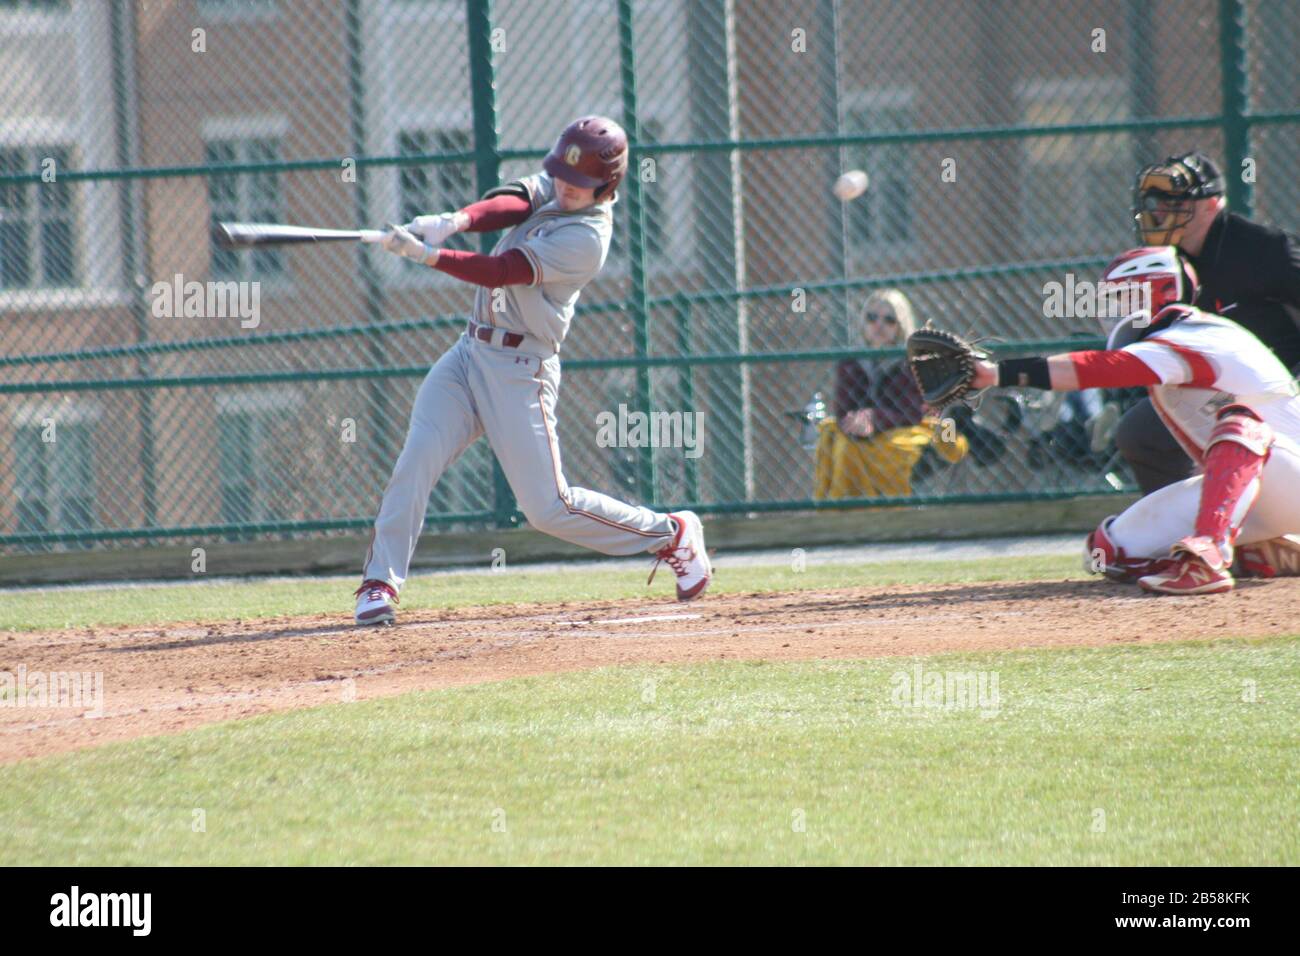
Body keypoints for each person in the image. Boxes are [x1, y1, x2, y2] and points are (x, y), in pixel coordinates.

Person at [353, 116, 711, 625]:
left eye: (581, 183)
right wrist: (456, 220)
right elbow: (514, 201)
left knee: (548, 508)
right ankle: (379, 583)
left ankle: (669, 533)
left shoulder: (587, 238)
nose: (566, 187)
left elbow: (504, 271)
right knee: (416, 461)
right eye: (563, 177)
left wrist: (431, 255)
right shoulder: (559, 187)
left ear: (606, 186)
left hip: (521, 368)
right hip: (468, 354)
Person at [963, 246, 1300, 594]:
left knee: (1241, 422)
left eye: (1123, 297)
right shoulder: (1170, 341)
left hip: (1291, 475)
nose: (1113, 310)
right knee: (1105, 554)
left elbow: (1102, 369)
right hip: (1255, 494)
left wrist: (995, 373)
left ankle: (1208, 559)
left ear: (1160, 293)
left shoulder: (1199, 333)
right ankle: (1262, 551)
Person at [1119, 151, 1300, 495]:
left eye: (1174, 201)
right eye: (1156, 201)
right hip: (1208, 389)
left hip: (1277, 388)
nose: (1159, 212)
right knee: (1139, 432)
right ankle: (1185, 529)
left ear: (1210, 205)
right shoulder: (1161, 261)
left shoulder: (1262, 249)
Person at [814, 289, 967, 499]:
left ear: (901, 325)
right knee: (843, 446)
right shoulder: (850, 361)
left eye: (889, 319)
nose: (879, 325)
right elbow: (843, 409)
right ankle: (843, 512)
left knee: (892, 451)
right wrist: (855, 422)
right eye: (871, 318)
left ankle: (885, 509)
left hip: (899, 429)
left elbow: (911, 412)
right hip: (857, 431)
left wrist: (874, 419)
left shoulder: (913, 362)